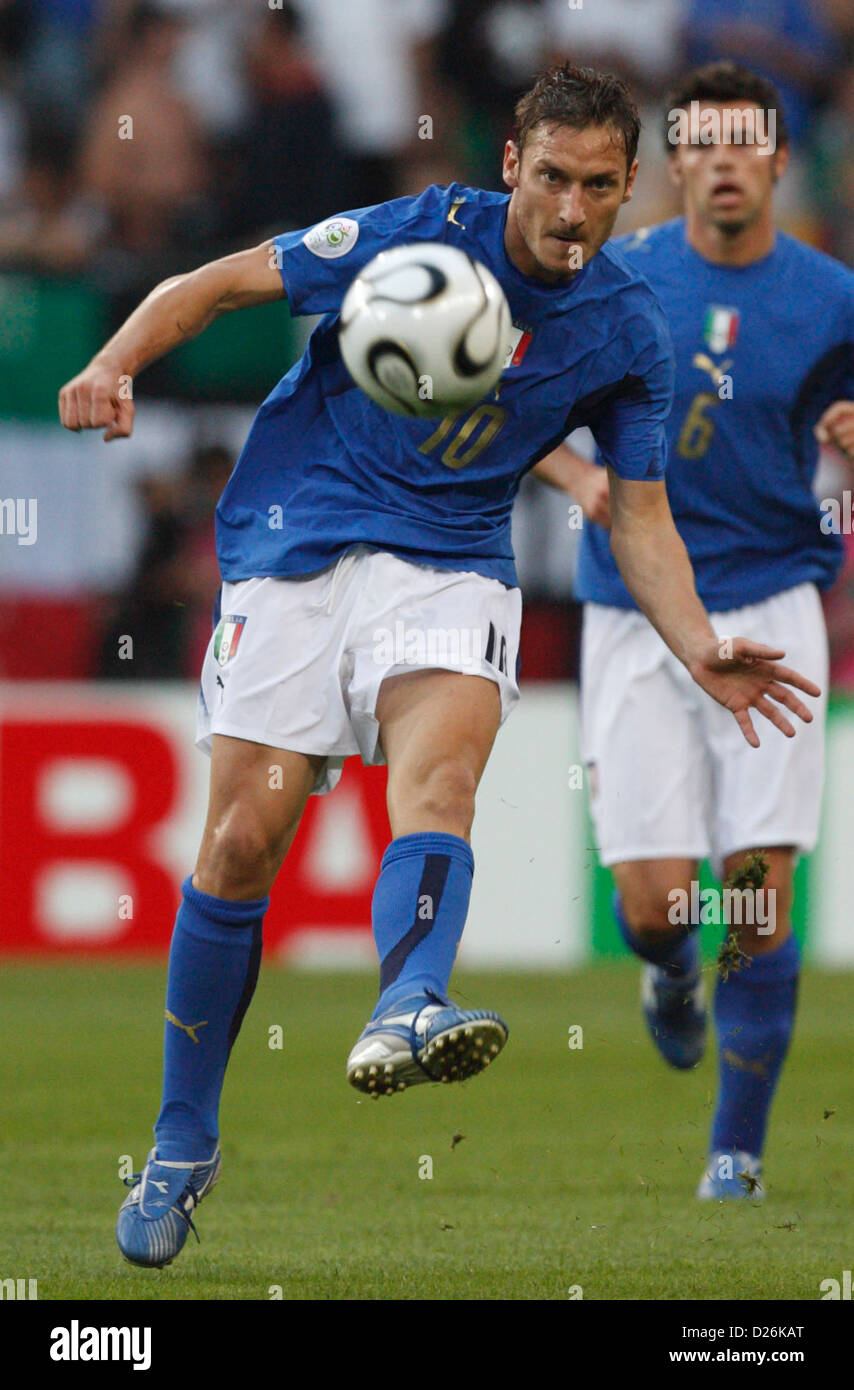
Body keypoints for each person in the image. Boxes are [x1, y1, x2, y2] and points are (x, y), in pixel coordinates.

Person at [59, 63, 819, 1269]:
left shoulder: (627, 328)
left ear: (632, 190)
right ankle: (183, 1139)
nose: (571, 211)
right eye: (554, 179)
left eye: (600, 188)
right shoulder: (415, 237)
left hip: (452, 559)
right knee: (239, 844)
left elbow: (637, 515)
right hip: (298, 536)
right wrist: (113, 363)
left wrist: (696, 643)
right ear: (511, 165)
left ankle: (411, 995)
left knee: (441, 778)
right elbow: (208, 286)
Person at [535, 62, 854, 1201]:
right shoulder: (612, 280)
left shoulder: (834, 301)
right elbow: (499, 393)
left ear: (776, 162)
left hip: (769, 604)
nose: (722, 162)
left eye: (744, 143)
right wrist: (578, 477)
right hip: (633, 609)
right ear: (673, 165)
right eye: (701, 144)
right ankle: (670, 973)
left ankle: (736, 1152)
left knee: (757, 893)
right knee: (658, 905)